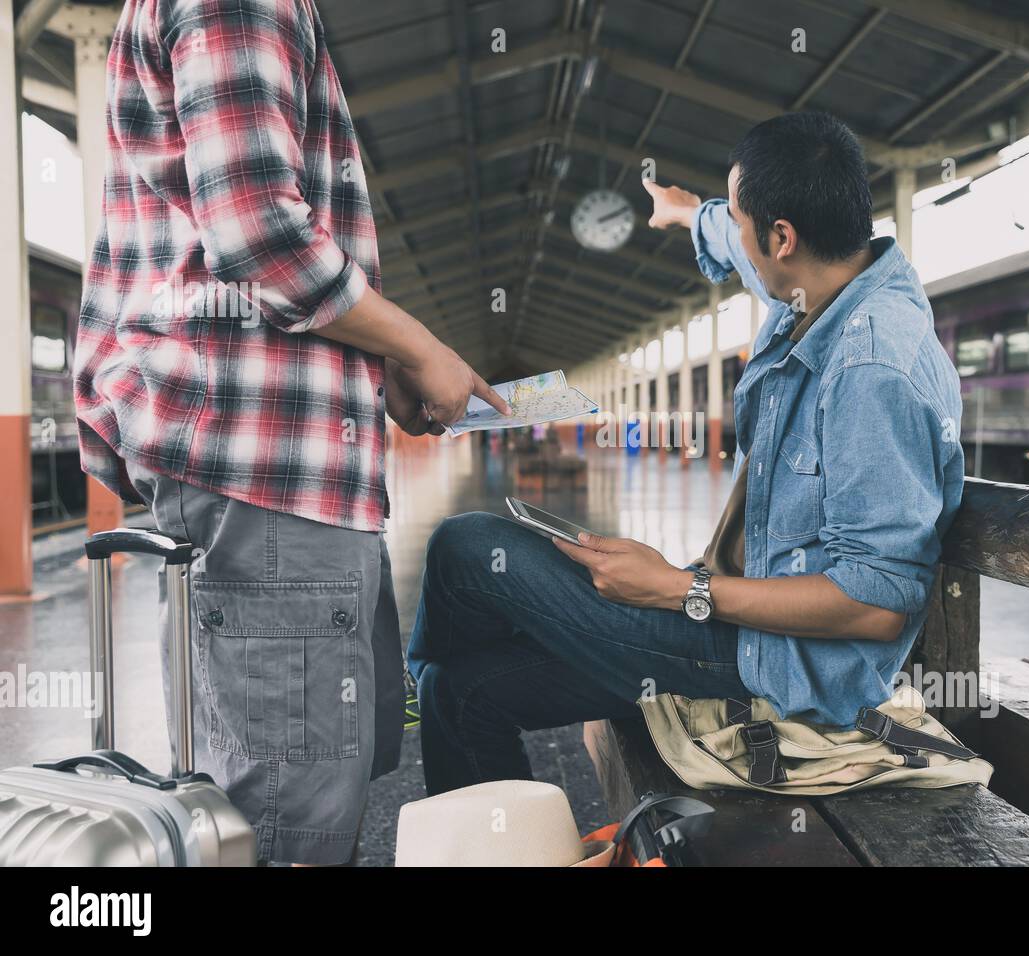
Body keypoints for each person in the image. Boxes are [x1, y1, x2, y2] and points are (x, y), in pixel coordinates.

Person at [406, 111, 966, 796]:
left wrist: (680, 589)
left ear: (783, 236)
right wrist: (685, 214)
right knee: (456, 691)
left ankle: (393, 696)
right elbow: (737, 247)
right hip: (736, 626)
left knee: (464, 547)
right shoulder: (818, 286)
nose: (736, 237)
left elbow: (877, 603)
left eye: (739, 218)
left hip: (778, 669)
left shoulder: (871, 368)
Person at [73, 0, 507, 865]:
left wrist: (375, 376)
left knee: (302, 780)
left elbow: (238, 248)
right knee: (285, 821)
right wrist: (422, 349)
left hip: (274, 460)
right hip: (262, 467)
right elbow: (261, 234)